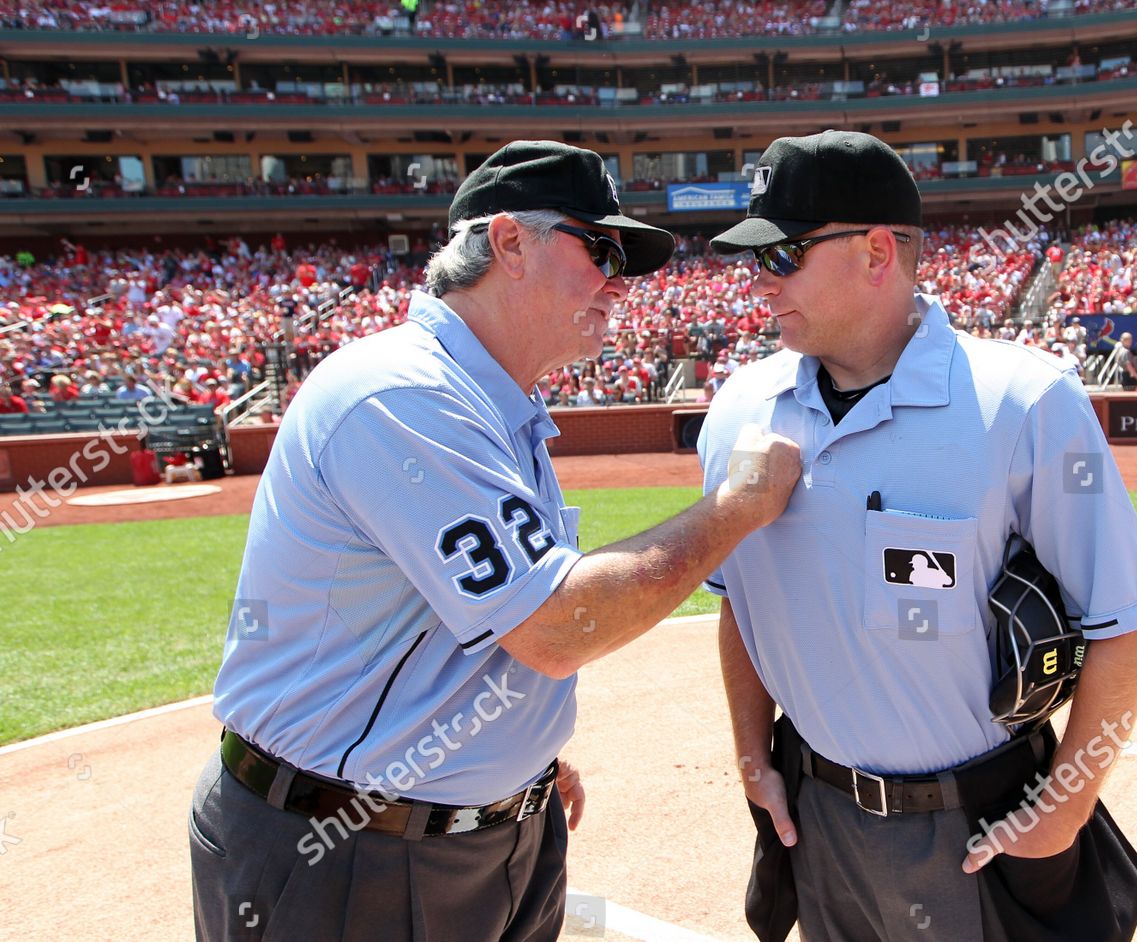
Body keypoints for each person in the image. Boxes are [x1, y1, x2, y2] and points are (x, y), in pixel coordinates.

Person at [190, 141, 801, 942]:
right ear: (509, 242)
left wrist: (506, 754)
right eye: (601, 249)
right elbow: (555, 627)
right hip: (343, 853)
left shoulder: (490, 401)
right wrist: (738, 506)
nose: (620, 282)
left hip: (474, 833)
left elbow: (465, 626)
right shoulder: (402, 393)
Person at [698, 131, 1137, 942]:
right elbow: (741, 601)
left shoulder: (1024, 401)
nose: (759, 280)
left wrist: (1065, 809)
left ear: (877, 252)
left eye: (782, 255)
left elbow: (1130, 623)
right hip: (815, 821)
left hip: (977, 825)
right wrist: (753, 758)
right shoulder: (739, 406)